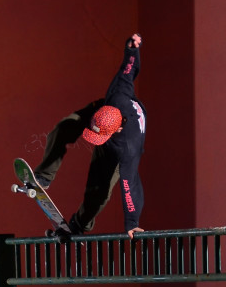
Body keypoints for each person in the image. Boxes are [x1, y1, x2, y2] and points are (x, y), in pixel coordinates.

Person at [32, 33, 146, 239]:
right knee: (66, 127)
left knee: (100, 192)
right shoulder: (117, 91)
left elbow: (130, 187)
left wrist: (132, 221)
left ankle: (79, 223)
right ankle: (44, 175)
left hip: (116, 142)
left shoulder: (129, 148)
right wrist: (132, 49)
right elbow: (128, 69)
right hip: (103, 114)